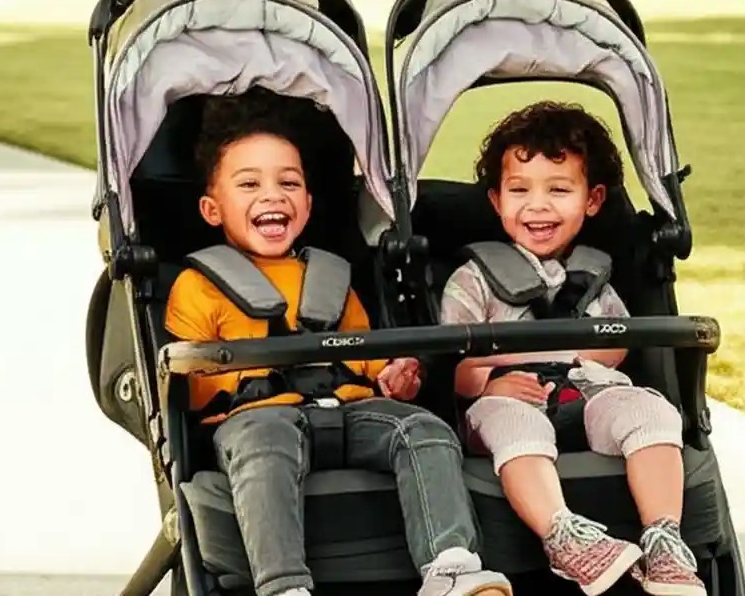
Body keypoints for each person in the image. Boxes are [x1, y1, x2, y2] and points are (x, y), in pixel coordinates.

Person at [165, 88, 511, 596]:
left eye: (288, 183)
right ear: (212, 208)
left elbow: (365, 359)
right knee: (265, 443)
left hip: (348, 409)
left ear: (306, 203)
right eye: (249, 184)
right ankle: (284, 585)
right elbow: (192, 388)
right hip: (256, 418)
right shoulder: (198, 285)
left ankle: (452, 565)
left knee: (423, 428)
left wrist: (394, 376)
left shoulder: (330, 279)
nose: (272, 195)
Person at [439, 102, 706, 596]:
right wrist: (494, 377)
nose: (537, 206)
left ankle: (664, 535)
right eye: (520, 191)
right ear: (497, 201)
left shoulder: (595, 278)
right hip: (505, 402)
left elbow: (617, 347)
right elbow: (453, 366)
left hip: (589, 395)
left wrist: (560, 357)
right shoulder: (472, 280)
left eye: (558, 190)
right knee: (513, 419)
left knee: (651, 410)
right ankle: (563, 536)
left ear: (592, 200)